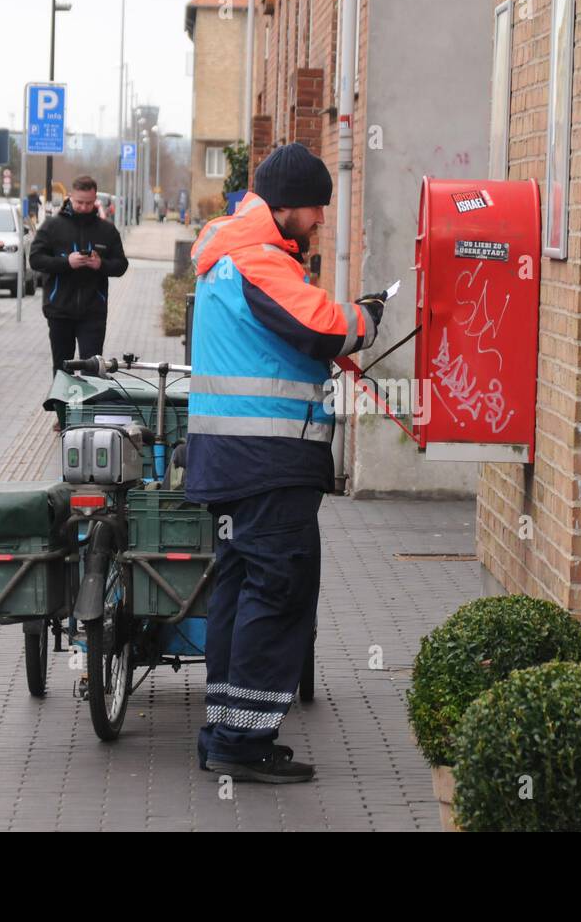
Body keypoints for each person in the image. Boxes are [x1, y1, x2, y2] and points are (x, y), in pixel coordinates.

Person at [185, 142, 386, 783]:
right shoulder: (258, 258)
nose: (321, 221)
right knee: (279, 591)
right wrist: (371, 315)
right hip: (267, 459)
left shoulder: (223, 252)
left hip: (231, 461)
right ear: (287, 206)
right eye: (316, 210)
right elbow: (324, 327)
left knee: (240, 590)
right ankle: (242, 747)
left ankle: (225, 732)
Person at [29, 175, 129, 383]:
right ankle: (63, 413)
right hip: (59, 309)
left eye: (89, 203)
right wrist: (67, 263)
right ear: (70, 198)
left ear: (95, 201)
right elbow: (36, 260)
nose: (84, 207)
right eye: (79, 203)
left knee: (93, 370)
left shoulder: (106, 230)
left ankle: (88, 412)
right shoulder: (52, 226)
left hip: (93, 311)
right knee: (62, 370)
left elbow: (121, 265)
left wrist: (101, 265)